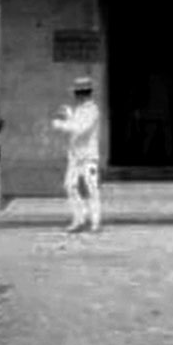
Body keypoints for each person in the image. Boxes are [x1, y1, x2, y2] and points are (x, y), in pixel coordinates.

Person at [52, 76, 102, 233]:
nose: (76, 96)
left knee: (91, 188)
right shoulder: (80, 109)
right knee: (70, 186)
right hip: (75, 156)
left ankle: (95, 222)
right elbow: (75, 123)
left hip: (88, 157)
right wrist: (68, 114)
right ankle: (79, 218)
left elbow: (80, 128)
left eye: (77, 93)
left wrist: (61, 125)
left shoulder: (92, 110)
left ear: (82, 94)